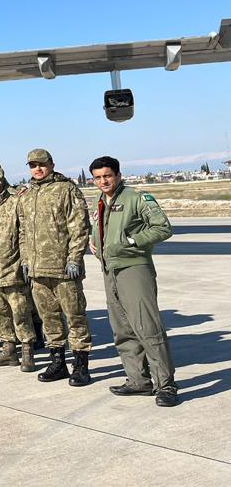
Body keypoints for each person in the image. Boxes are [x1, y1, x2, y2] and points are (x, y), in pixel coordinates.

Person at [89, 156, 178, 406]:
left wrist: (132, 242)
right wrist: (94, 240)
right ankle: (138, 380)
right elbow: (103, 230)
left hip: (134, 269)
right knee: (122, 330)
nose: (103, 181)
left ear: (117, 175)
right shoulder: (100, 202)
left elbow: (163, 228)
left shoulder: (136, 198)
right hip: (110, 271)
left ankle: (166, 385)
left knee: (148, 328)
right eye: (97, 177)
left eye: (107, 175)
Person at [16, 148, 93, 386]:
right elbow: (23, 232)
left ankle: (81, 365)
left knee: (75, 316)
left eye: (41, 164)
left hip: (63, 269)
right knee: (49, 318)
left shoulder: (66, 190)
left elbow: (79, 226)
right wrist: (26, 261)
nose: (37, 169)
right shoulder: (27, 195)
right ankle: (58, 361)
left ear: (51, 164)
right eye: (32, 165)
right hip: (39, 271)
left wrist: (74, 258)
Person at [0, 164, 36, 372]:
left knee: (21, 313)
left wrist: (24, 262)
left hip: (12, 270)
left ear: (1, 180)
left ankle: (27, 351)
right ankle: (8, 349)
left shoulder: (16, 201)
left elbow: (24, 234)